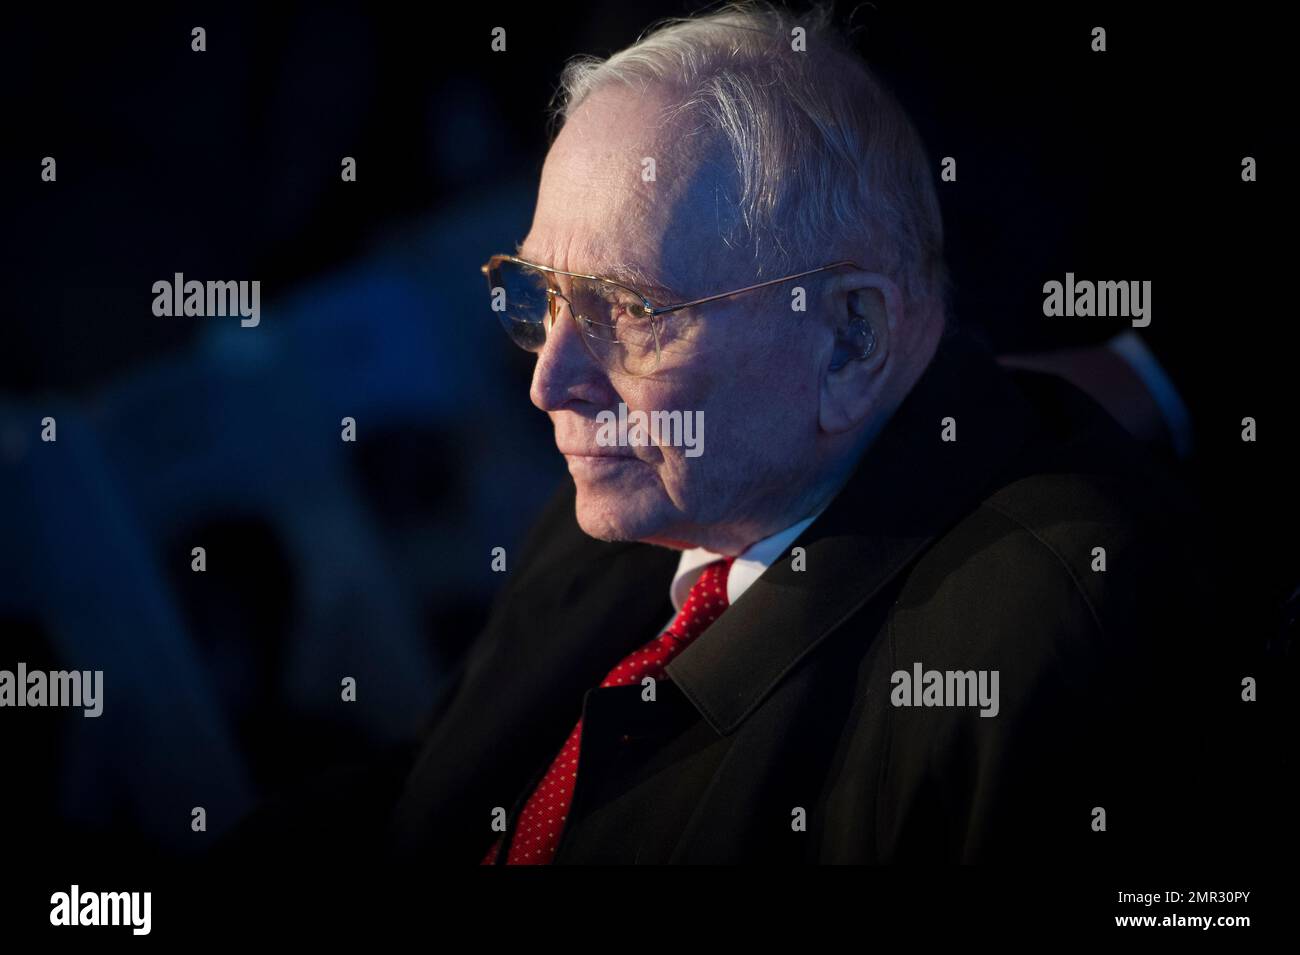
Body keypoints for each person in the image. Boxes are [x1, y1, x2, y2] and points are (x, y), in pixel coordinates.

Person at [375, 2, 1221, 865]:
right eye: (542, 296)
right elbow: (407, 799)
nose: (547, 382)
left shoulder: (1048, 644)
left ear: (850, 339)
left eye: (628, 309)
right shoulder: (621, 509)